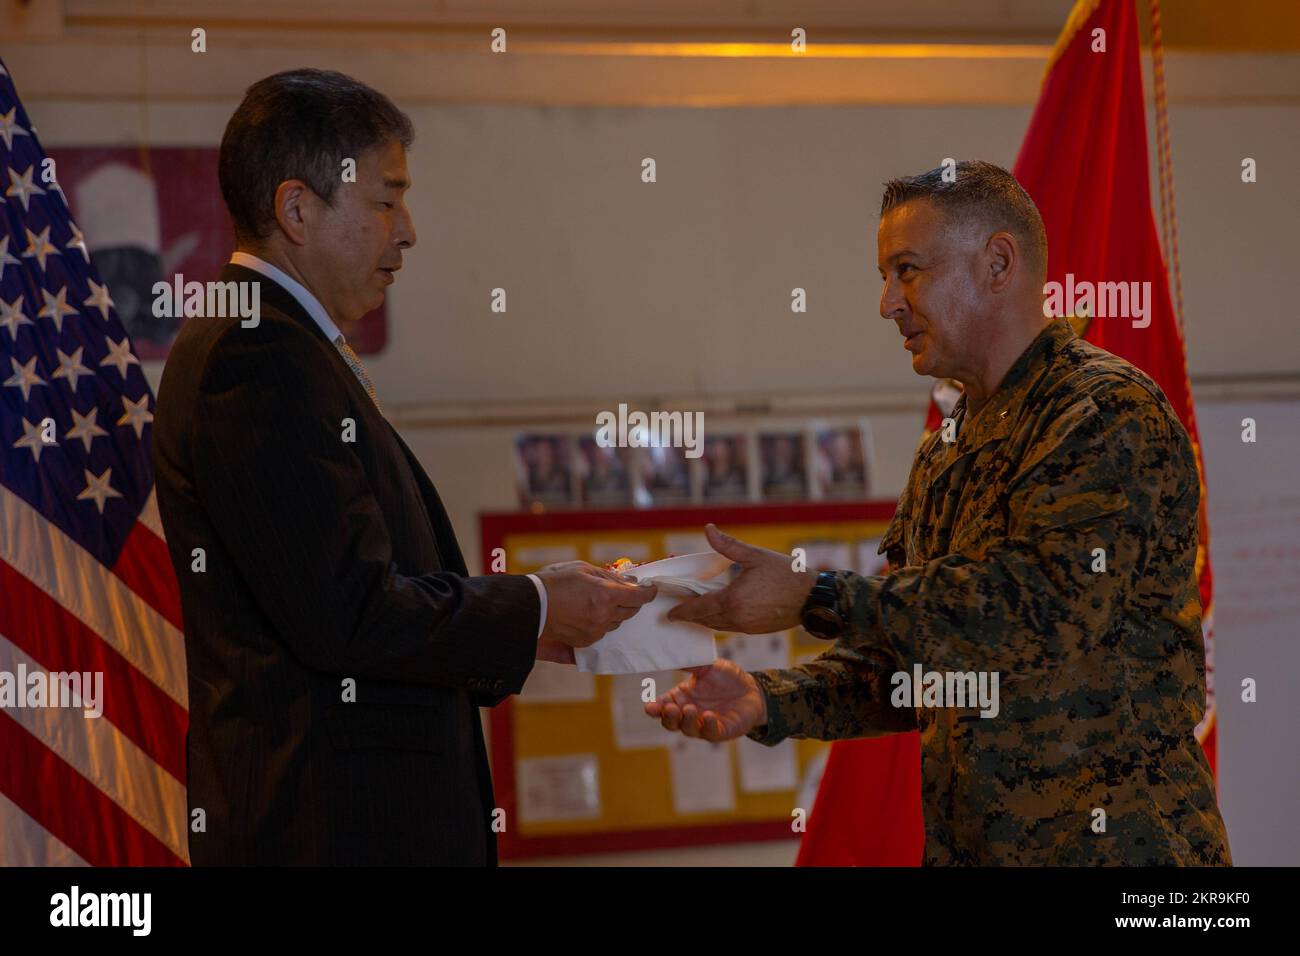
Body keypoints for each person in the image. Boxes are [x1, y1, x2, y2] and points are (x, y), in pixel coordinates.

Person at [646, 160, 1231, 866]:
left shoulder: (1103, 411)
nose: (888, 302)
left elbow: (1040, 609)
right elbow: (928, 662)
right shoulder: (949, 447)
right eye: (885, 277)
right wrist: (769, 700)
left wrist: (815, 595)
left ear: (997, 263)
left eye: (908, 270)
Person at [152, 69, 654, 865]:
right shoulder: (255, 353)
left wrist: (536, 622)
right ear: (296, 210)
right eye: (386, 201)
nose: (408, 229)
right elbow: (348, 613)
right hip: (333, 833)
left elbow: (351, 596)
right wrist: (528, 606)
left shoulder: (284, 344)